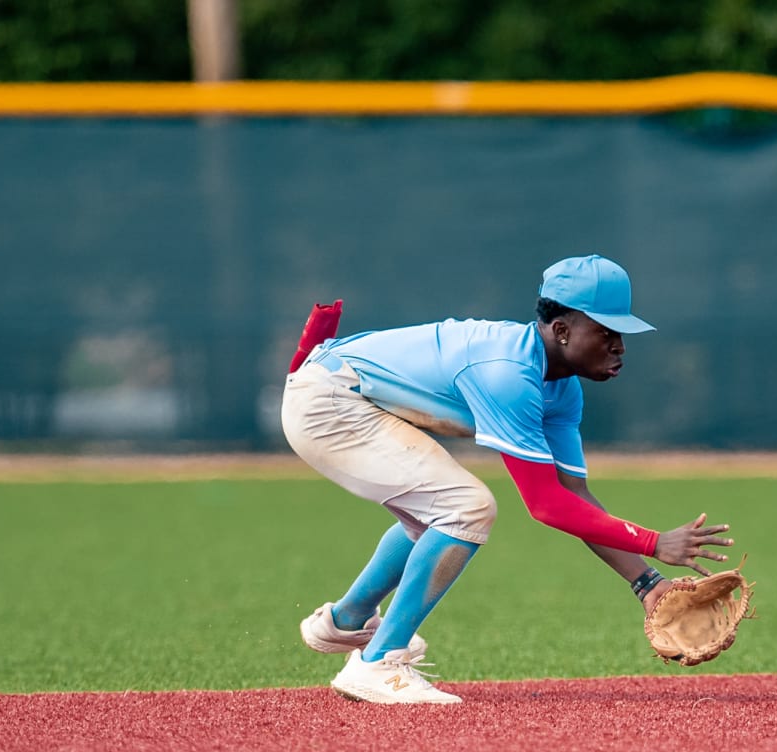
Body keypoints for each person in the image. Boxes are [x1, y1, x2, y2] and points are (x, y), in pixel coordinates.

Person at [281, 254, 735, 704]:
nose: (619, 346)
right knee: (465, 507)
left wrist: (648, 584)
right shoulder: (509, 375)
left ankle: (347, 621)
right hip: (327, 400)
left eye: (622, 334)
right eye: (606, 332)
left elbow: (575, 498)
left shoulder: (560, 388)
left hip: (346, 393)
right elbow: (546, 506)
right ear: (561, 330)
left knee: (442, 512)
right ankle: (379, 662)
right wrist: (654, 541)